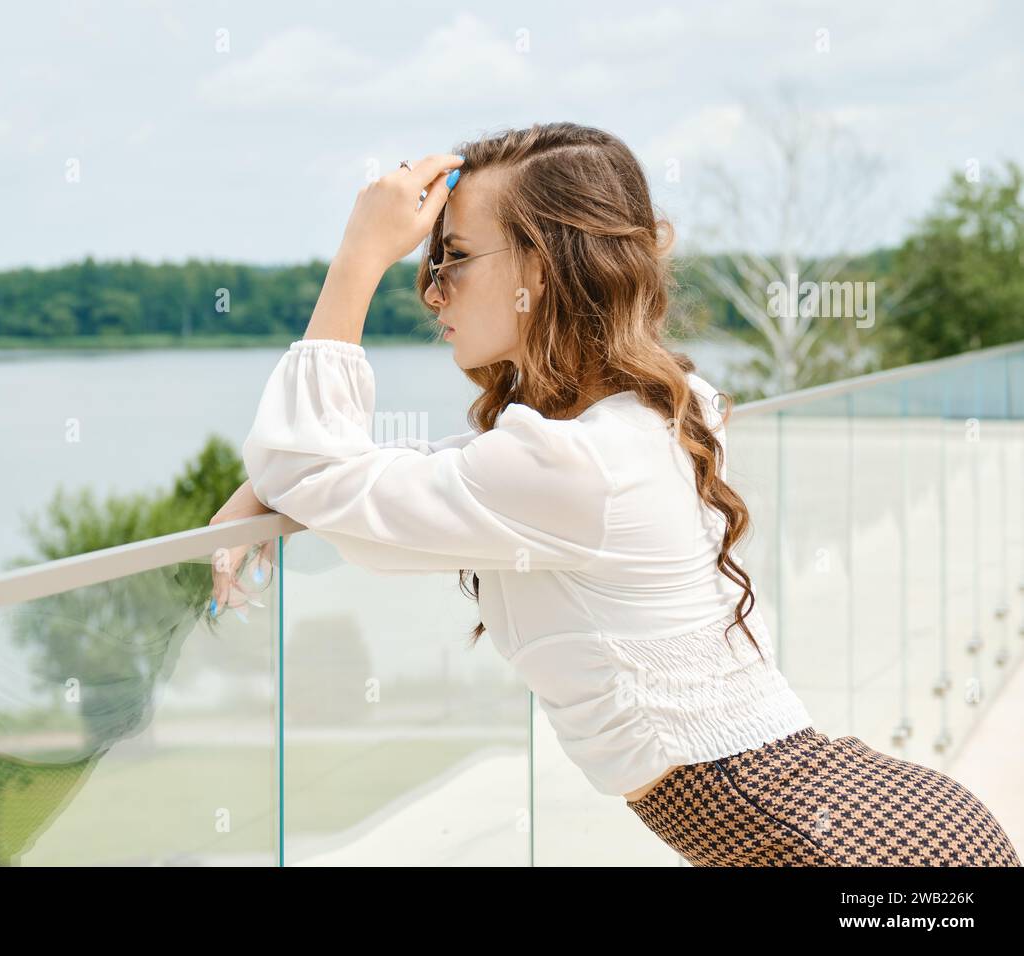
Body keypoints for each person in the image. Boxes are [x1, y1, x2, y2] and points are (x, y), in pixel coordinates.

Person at [209, 122, 1020, 867]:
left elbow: (317, 468)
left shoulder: (578, 466)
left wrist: (358, 257)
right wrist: (269, 486)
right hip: (866, 814)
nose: (431, 290)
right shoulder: (651, 415)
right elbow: (363, 472)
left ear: (541, 268)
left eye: (452, 257)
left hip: (844, 849)